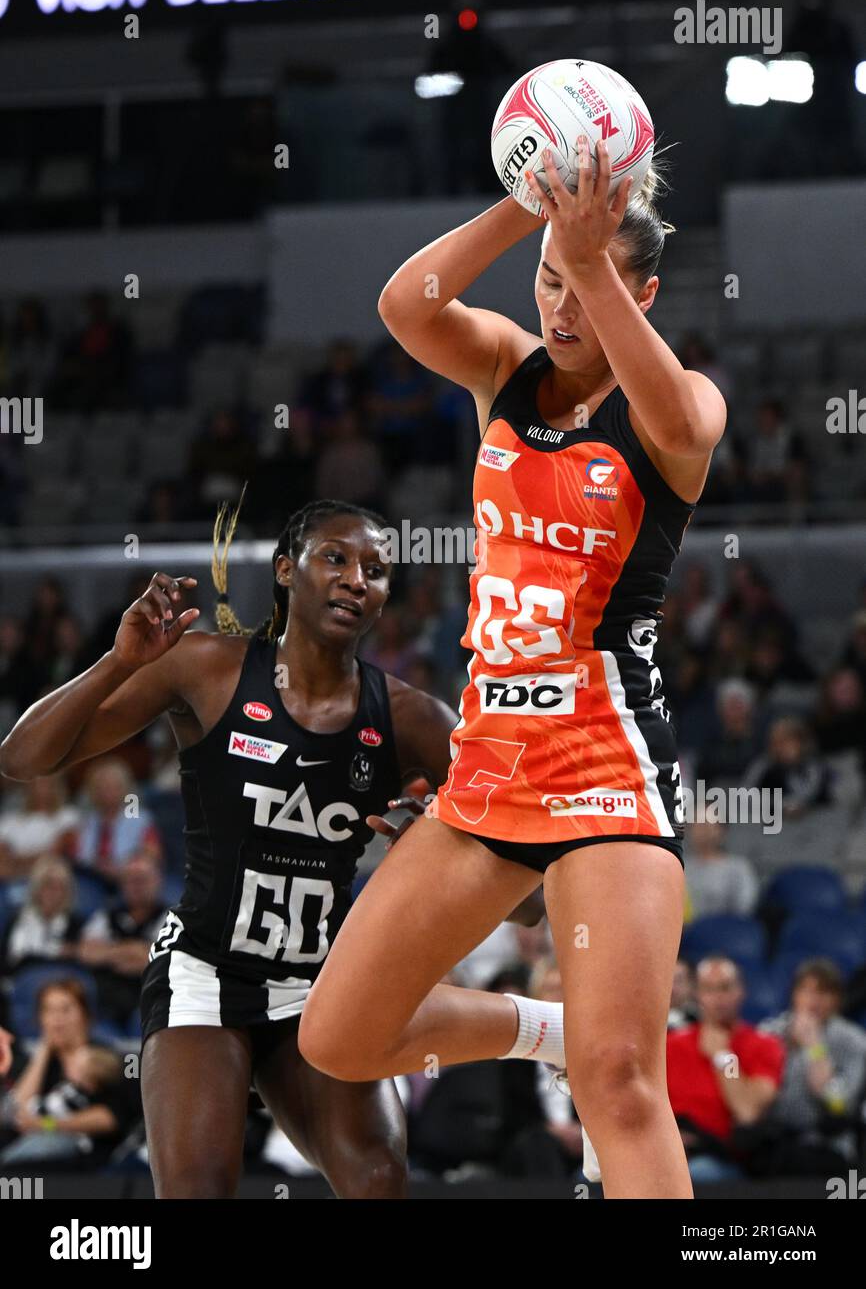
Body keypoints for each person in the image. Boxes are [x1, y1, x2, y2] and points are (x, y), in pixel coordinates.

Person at [298, 137, 728, 1198]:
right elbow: (406, 305)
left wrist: (584, 254)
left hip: (605, 763)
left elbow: (677, 420)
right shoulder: (502, 369)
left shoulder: (677, 406)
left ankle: (580, 1050)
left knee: (618, 1080)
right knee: (338, 1039)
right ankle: (539, 1027)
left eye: (582, 279)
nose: (558, 304)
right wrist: (524, 204)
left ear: (641, 289)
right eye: (544, 278)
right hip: (490, 761)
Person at [0, 500, 564, 1198]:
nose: (358, 579)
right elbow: (22, 759)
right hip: (205, 976)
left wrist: (450, 848)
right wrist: (116, 664)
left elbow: (534, 905)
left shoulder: (416, 718)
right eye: (336, 558)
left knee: (379, 1183)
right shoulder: (205, 666)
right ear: (284, 570)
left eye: (377, 570)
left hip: (319, 988)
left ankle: (549, 1033)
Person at [666, 956, 784, 1182]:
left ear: (741, 991)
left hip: (724, 1160)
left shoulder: (764, 1045)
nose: (718, 998)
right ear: (697, 995)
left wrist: (723, 1057)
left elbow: (747, 1111)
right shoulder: (672, 1045)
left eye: (726, 988)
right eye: (708, 989)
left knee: (695, 1174)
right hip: (670, 1151)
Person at [0, 979, 130, 1169]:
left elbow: (112, 1118)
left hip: (83, 1153)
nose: (57, 1018)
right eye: (49, 1011)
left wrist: (47, 1124)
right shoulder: (41, 1064)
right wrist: (44, 1050)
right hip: (31, 1150)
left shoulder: (108, 1059)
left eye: (66, 1009)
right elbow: (18, 1111)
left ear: (85, 1015)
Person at [759, 959, 866, 1177]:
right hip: (773, 1139)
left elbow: (839, 1104)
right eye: (806, 990)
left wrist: (814, 1048)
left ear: (836, 1000)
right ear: (794, 995)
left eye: (823, 992)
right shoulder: (770, 1033)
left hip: (825, 1142)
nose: (813, 1000)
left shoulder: (853, 1041)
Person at [76, 853, 167, 1031]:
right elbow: (86, 952)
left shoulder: (171, 918)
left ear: (158, 881)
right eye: (130, 880)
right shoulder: (106, 916)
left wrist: (109, 953)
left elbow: (163, 960)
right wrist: (135, 950)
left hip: (152, 997)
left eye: (142, 879)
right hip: (106, 999)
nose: (136, 886)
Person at [684, 810, 759, 919]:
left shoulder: (738, 867)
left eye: (705, 823)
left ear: (721, 829)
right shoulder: (679, 867)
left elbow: (744, 909)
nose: (700, 828)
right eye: (695, 823)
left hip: (726, 931)